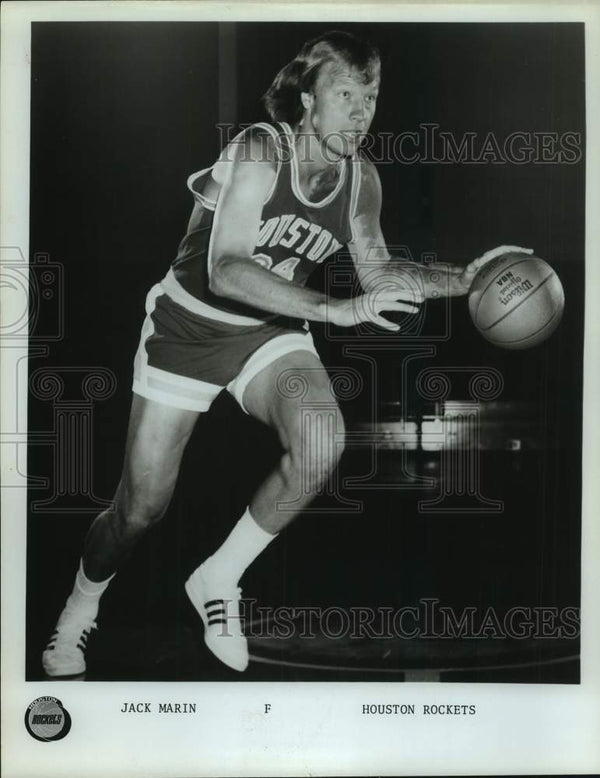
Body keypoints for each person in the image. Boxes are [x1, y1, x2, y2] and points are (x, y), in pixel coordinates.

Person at [42, 30, 531, 676]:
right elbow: (224, 268)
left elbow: (381, 271)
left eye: (372, 97)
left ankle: (219, 578)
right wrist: (335, 309)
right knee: (139, 510)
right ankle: (78, 613)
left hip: (269, 333)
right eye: (345, 94)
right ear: (307, 98)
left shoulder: (362, 184)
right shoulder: (259, 149)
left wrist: (463, 279)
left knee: (323, 439)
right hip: (187, 330)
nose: (360, 113)